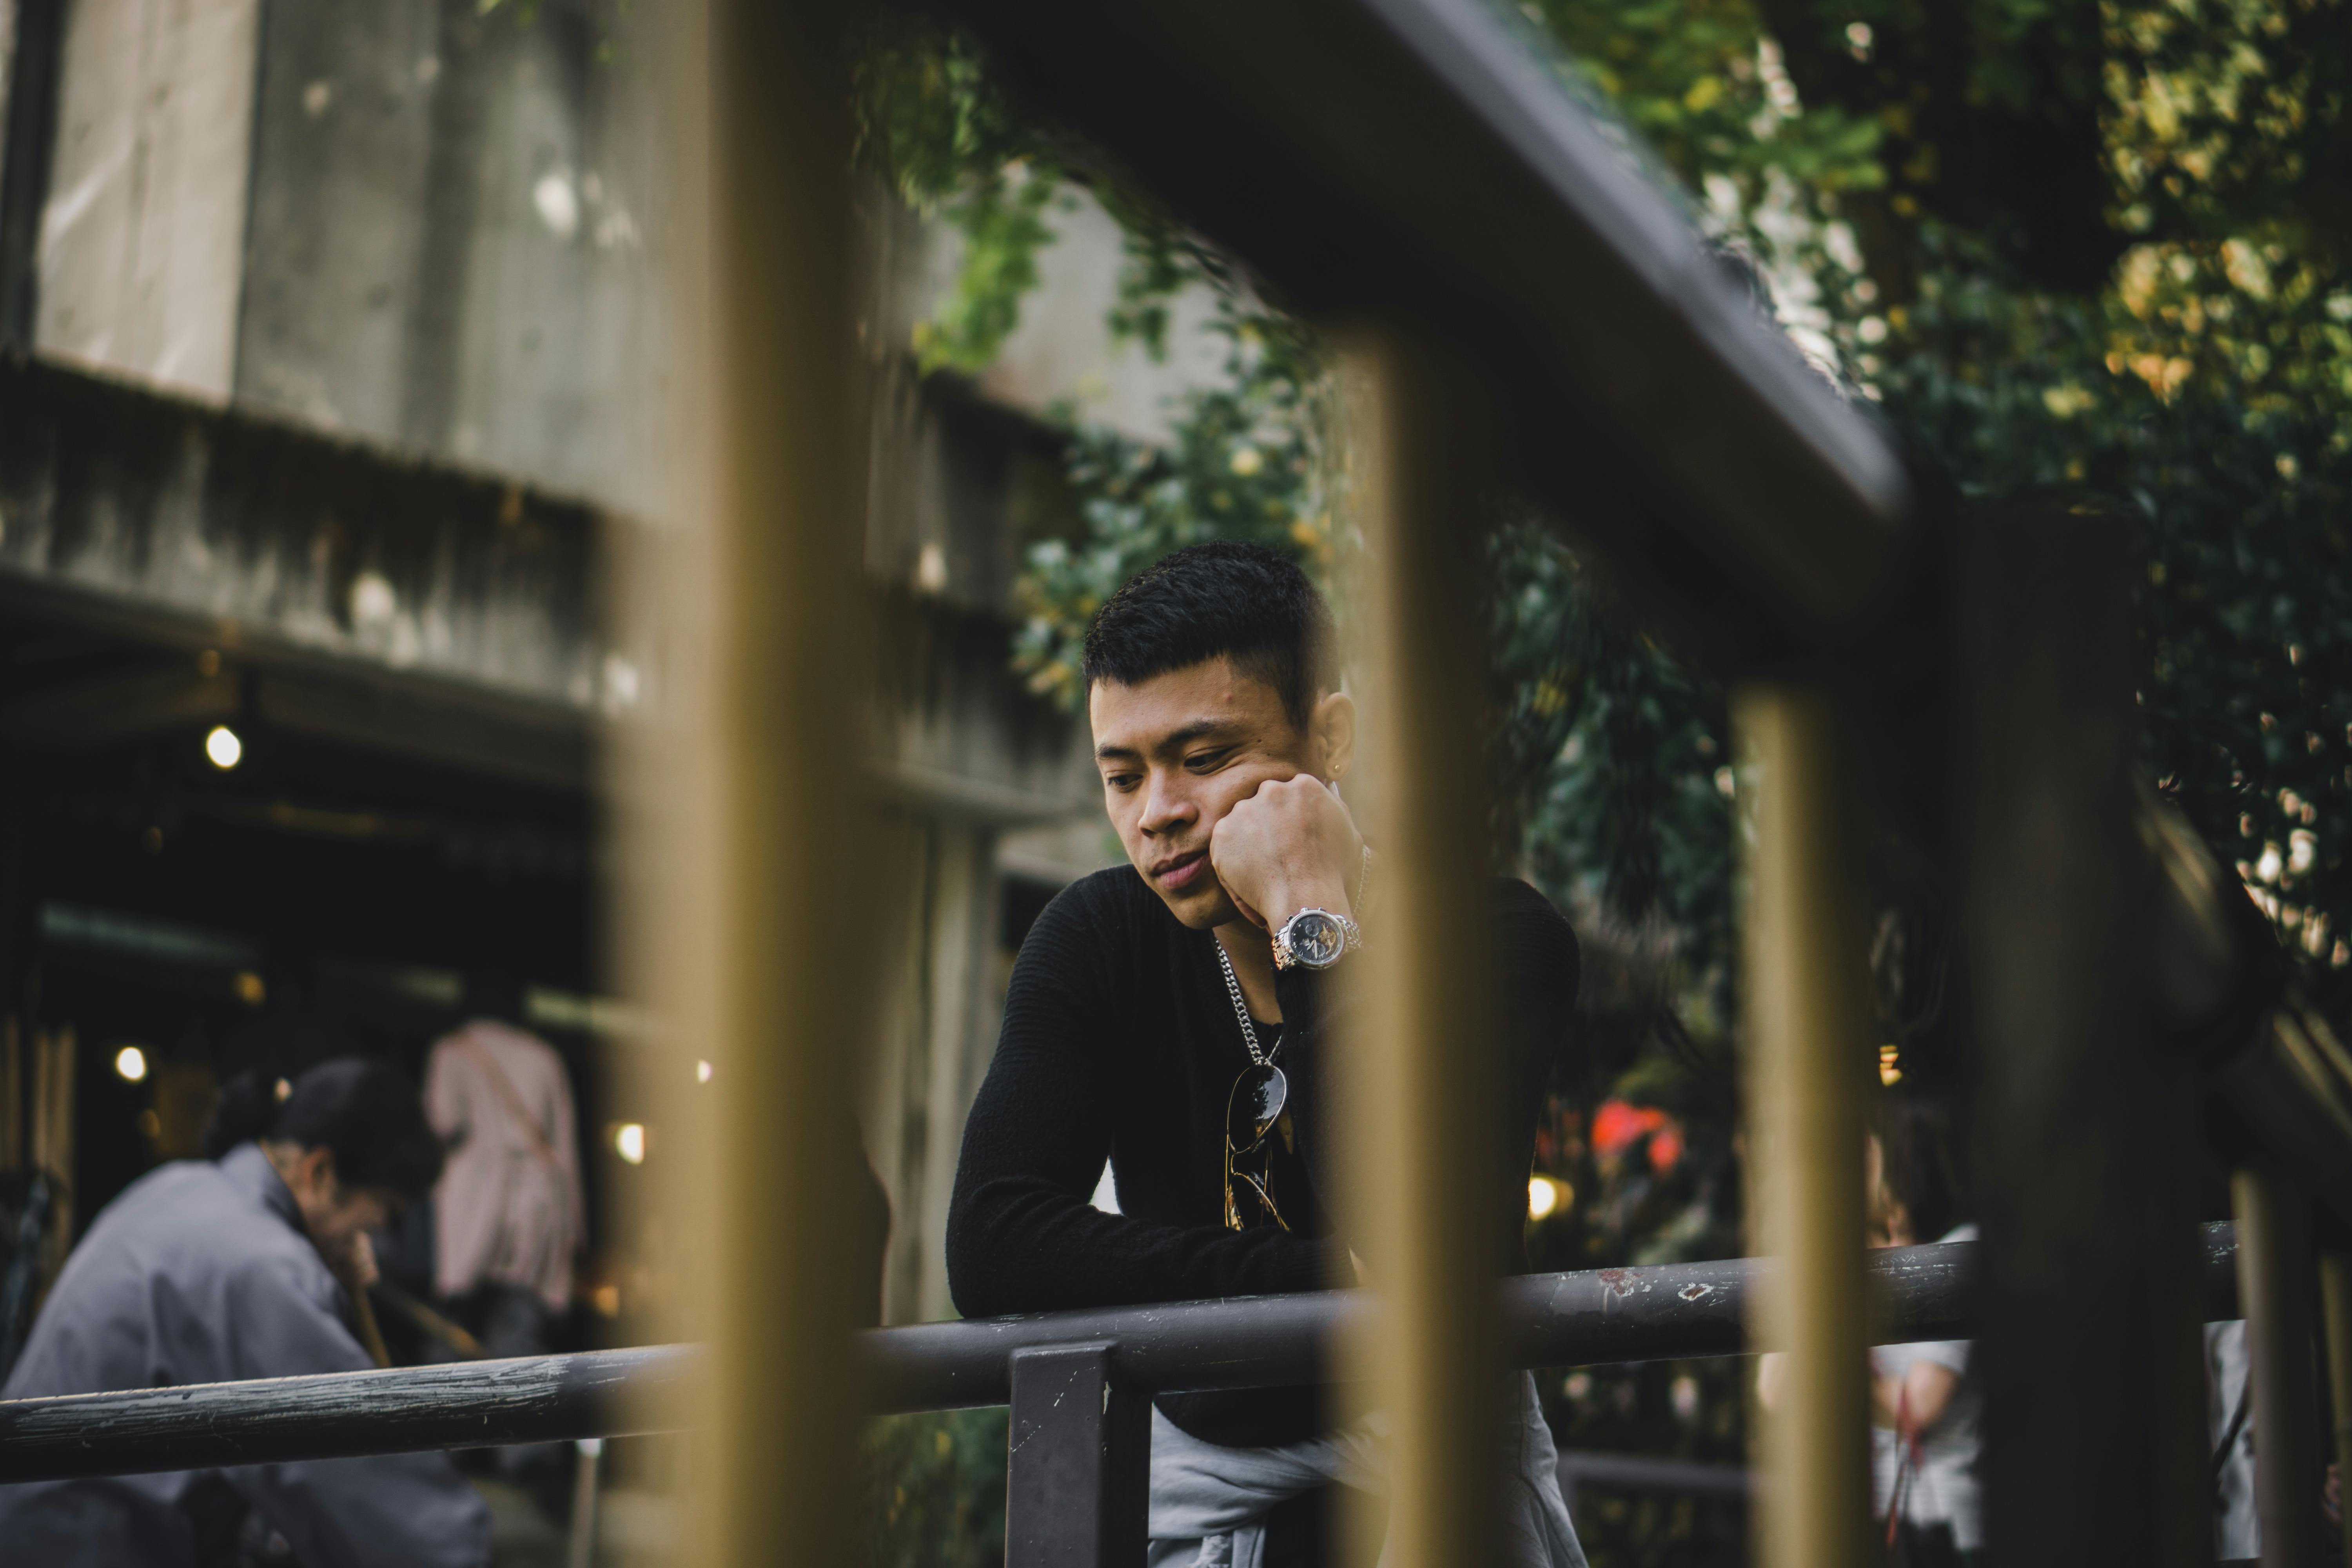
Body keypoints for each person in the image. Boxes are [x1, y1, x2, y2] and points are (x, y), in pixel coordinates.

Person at [946, 542, 1586, 1568]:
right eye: (1122, 775)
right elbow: (995, 1241)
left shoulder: (1496, 940)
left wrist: (1311, 920)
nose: (1157, 811)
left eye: (1204, 759)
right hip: (1185, 1471)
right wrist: (1338, 1281)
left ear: (1329, 735)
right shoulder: (1100, 937)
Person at [0, 1058, 492, 1567]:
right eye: (384, 1209)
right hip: (83, 1543)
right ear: (320, 1172)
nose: (374, 1234)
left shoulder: (183, 1185)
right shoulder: (260, 1262)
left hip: (41, 1518)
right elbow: (360, 1472)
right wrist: (461, 1551)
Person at [1864, 1094, 1978, 1568]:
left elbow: (1921, 1403)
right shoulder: (1877, 1261)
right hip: (1894, 1518)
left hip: (1954, 1523)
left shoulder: (1963, 1249)